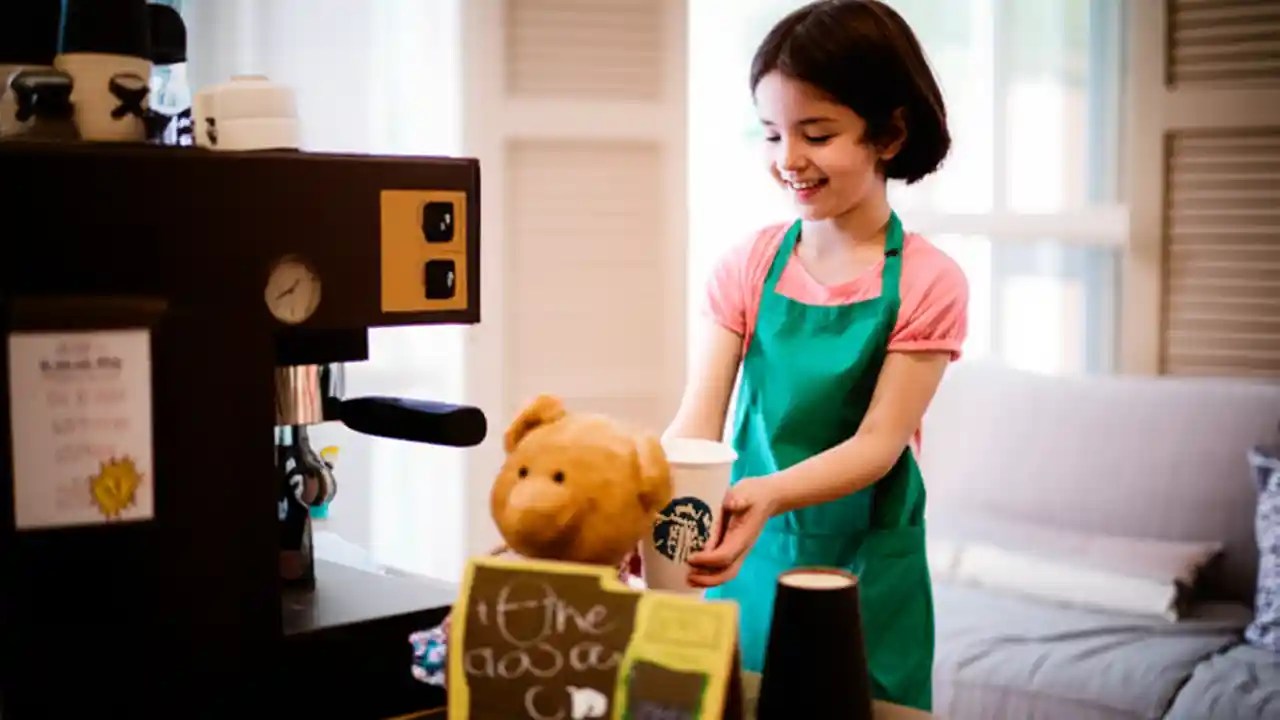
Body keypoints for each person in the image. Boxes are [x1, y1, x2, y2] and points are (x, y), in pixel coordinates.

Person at [663, 0, 967, 711]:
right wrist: (646, 504)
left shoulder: (928, 280)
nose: (788, 160)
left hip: (866, 561)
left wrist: (765, 496)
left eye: (817, 133)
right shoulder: (747, 265)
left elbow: (878, 447)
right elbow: (695, 424)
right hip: (746, 549)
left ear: (889, 133)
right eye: (771, 134)